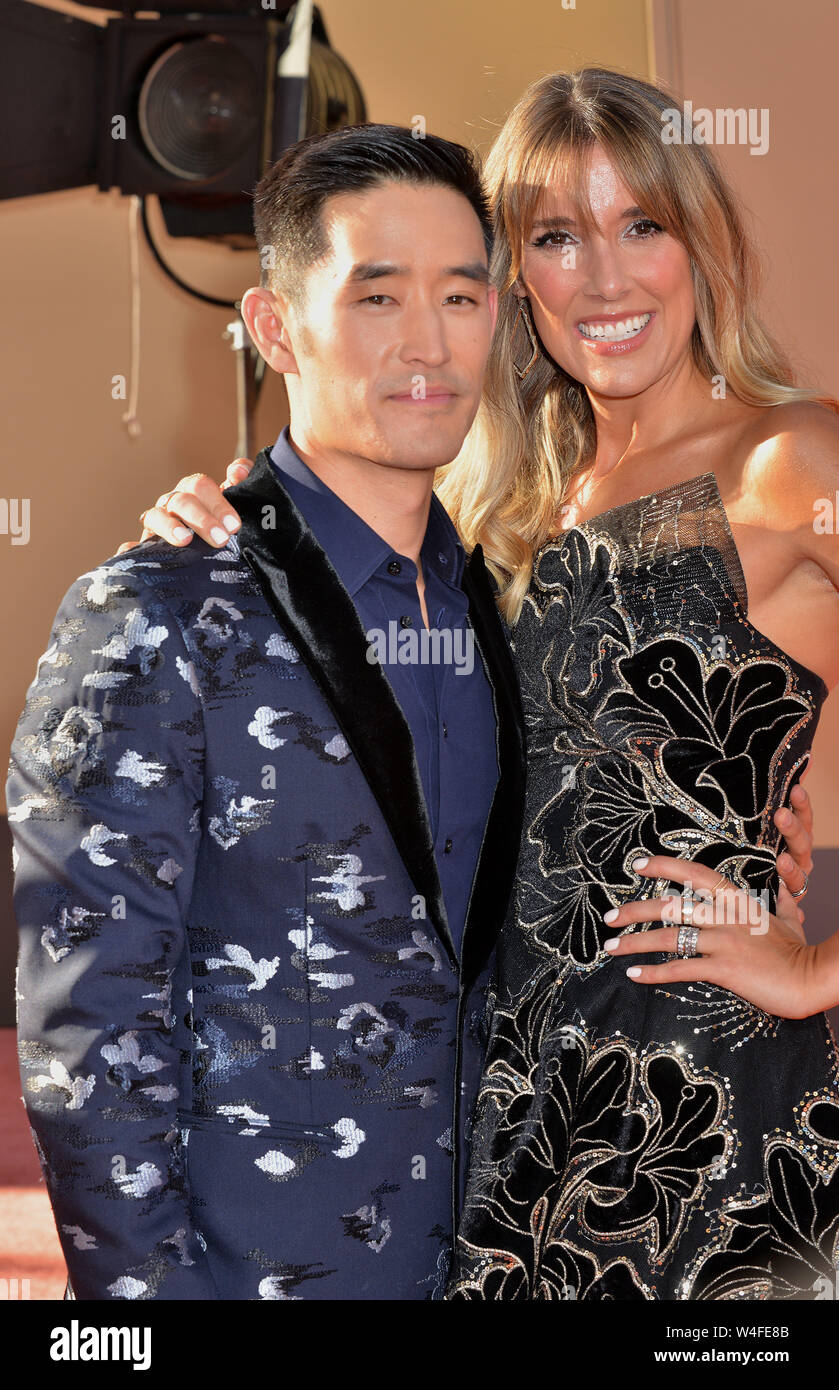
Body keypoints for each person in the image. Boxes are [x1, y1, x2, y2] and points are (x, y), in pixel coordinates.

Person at [129, 68, 836, 1300]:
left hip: (714, 1134)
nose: (604, 280)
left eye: (642, 226)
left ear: (700, 243)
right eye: (556, 237)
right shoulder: (486, 508)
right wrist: (225, 524)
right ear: (513, 281)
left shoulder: (788, 460)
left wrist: (815, 967)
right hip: (497, 1143)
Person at [6, 123, 529, 1301]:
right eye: (377, 296)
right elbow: (88, 1028)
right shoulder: (160, 613)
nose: (427, 342)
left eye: (460, 294)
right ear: (277, 325)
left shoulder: (499, 608)